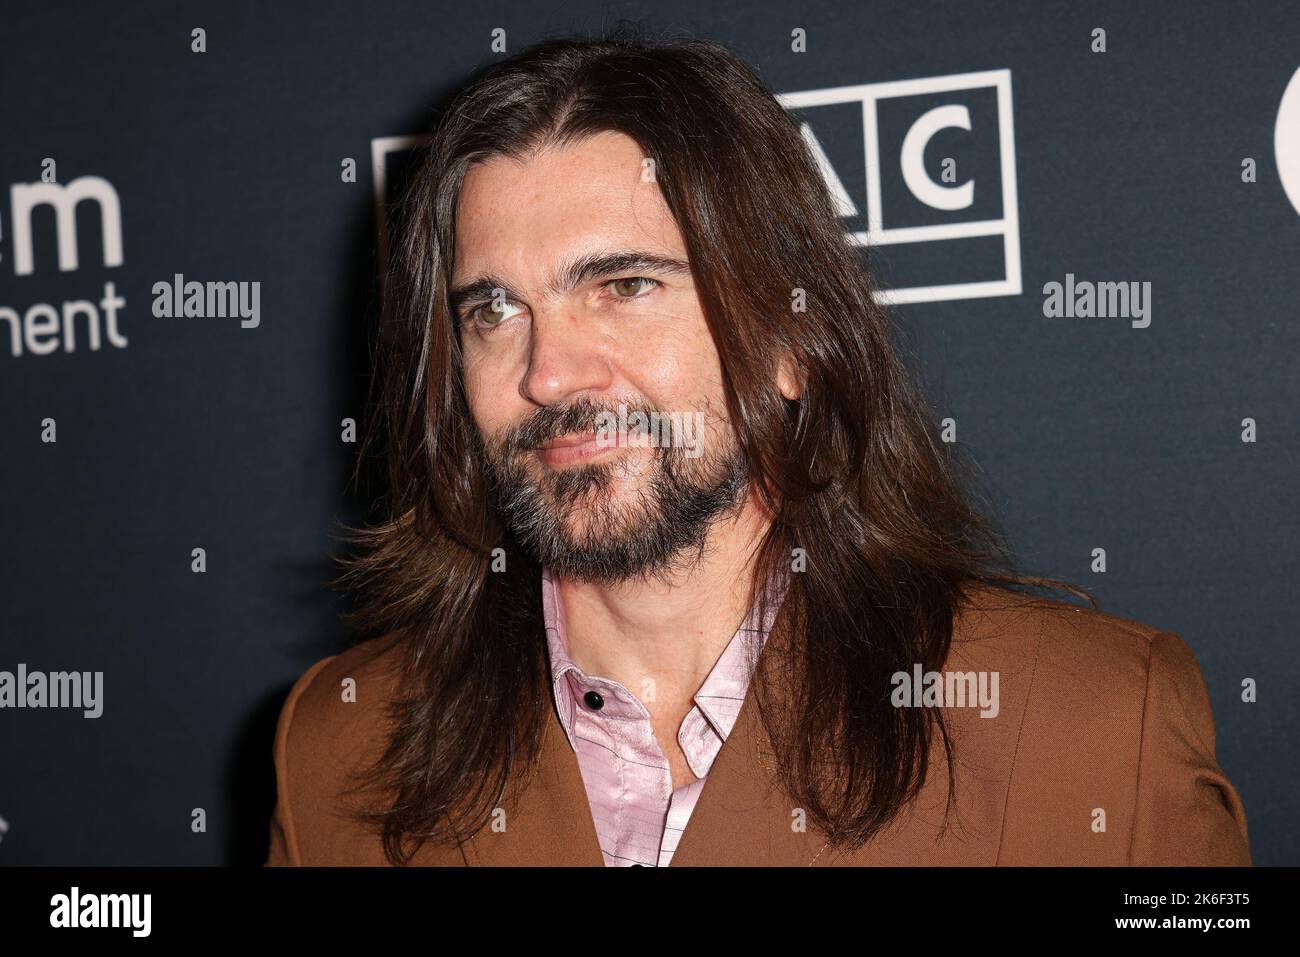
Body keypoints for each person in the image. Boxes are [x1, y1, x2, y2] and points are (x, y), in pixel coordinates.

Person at [265, 30, 1250, 867]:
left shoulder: (1091, 736)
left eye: (624, 286)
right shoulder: (341, 751)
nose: (549, 373)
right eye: (493, 310)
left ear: (786, 338)